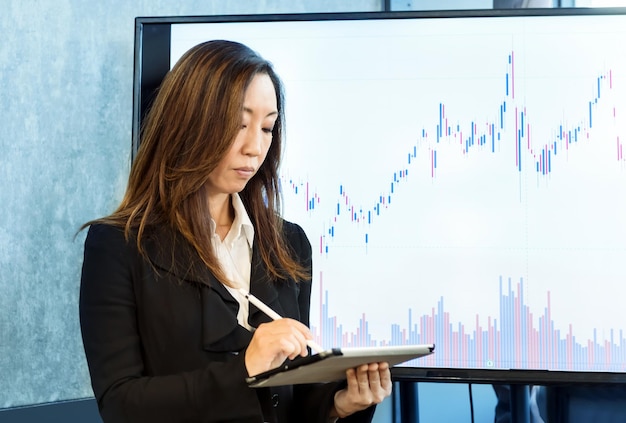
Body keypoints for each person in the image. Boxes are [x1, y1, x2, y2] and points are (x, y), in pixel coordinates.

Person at [78, 39, 392, 423]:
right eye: (239, 125)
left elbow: (294, 399)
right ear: (188, 122)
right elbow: (121, 405)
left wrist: (339, 405)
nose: (254, 147)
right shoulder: (119, 246)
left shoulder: (290, 243)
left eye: (267, 127)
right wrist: (246, 368)